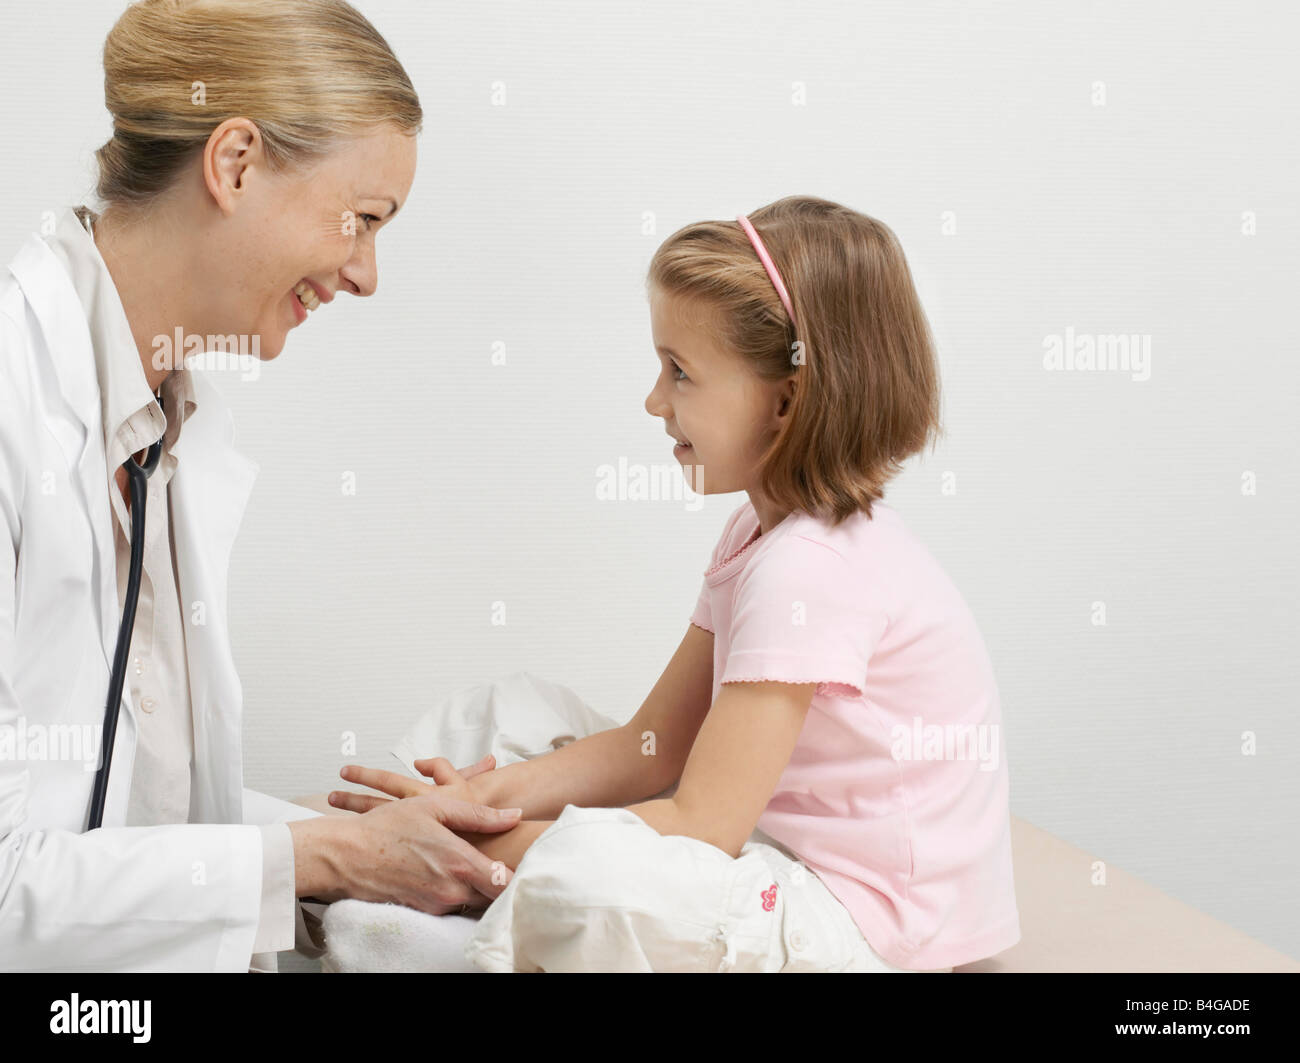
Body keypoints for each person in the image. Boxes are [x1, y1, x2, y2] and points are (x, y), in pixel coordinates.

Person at [331, 196, 1022, 972]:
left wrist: (472, 844)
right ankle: (460, 888)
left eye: (680, 373)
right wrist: (478, 802)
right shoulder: (763, 536)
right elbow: (651, 746)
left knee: (587, 878)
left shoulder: (811, 568)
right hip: (787, 862)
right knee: (512, 714)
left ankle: (443, 911)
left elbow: (704, 825)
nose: (654, 401)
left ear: (787, 401)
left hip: (872, 931)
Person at [0, 0, 524, 973]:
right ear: (234, 163)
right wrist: (325, 855)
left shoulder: (171, 428)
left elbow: (124, 812)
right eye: (361, 219)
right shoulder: (12, 402)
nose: (367, 274)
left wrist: (383, 844)